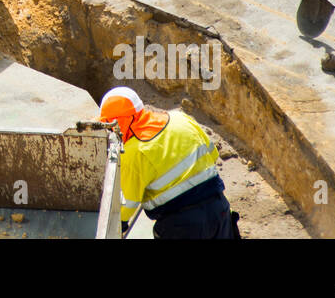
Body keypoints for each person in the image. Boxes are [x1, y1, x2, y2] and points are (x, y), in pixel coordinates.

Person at [98, 86, 238, 239]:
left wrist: (116, 226)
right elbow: (212, 154)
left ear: (116, 123)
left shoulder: (133, 152)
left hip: (182, 226)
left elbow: (125, 208)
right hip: (219, 210)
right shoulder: (181, 119)